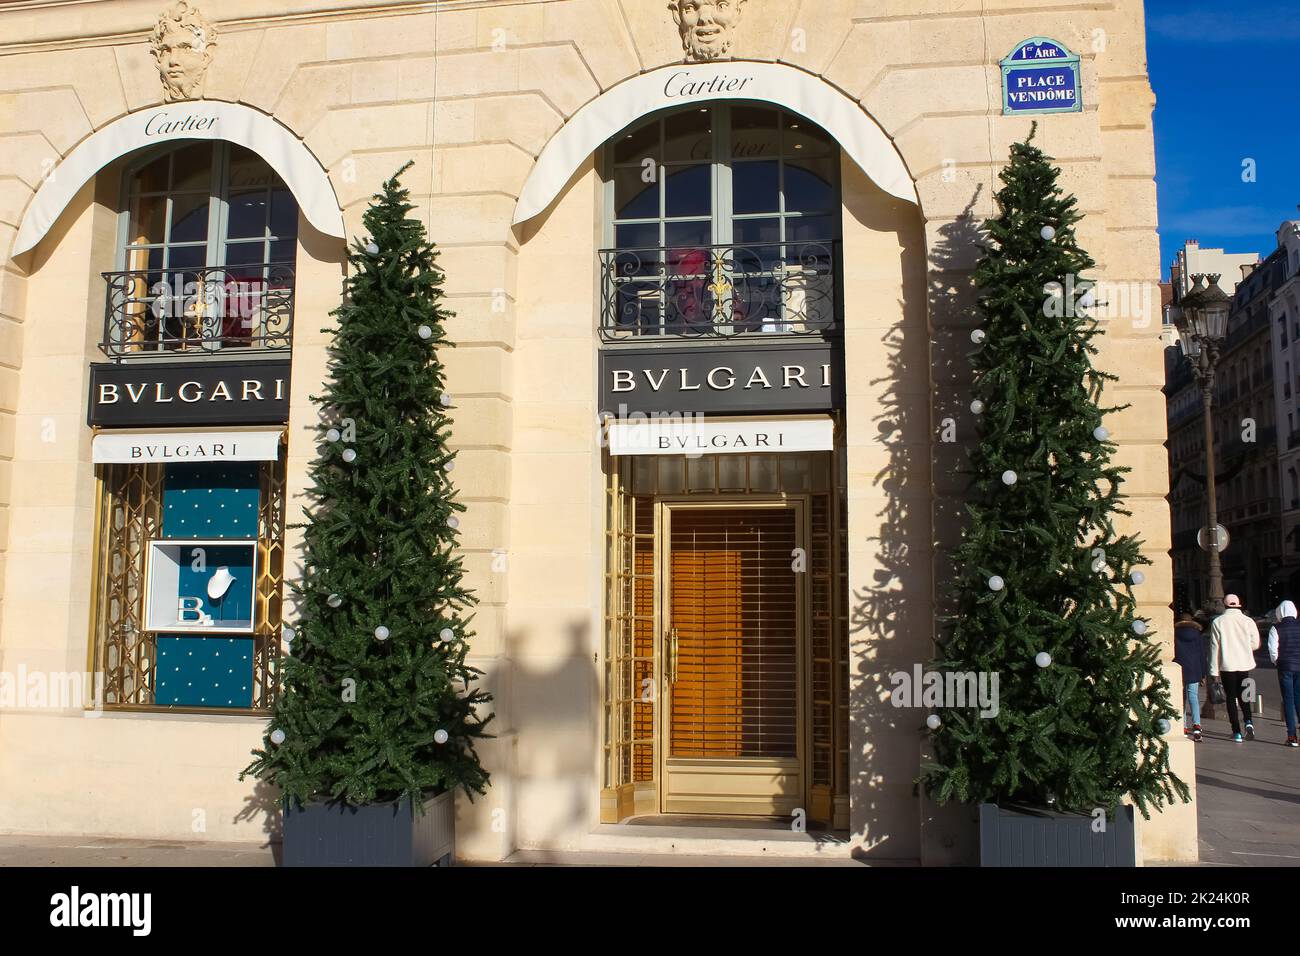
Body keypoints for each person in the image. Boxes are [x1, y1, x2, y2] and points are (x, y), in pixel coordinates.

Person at [1209, 594, 1261, 743]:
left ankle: (1236, 731)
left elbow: (1215, 648)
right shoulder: (1248, 621)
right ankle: (1249, 722)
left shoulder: (1218, 622)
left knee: (1231, 698)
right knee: (1245, 696)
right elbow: (1256, 643)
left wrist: (1214, 671)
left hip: (1227, 665)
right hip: (1245, 664)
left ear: (1224, 605)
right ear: (1239, 604)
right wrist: (1245, 648)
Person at [1267, 600, 1300, 748]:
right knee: (1299, 698)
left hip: (1285, 666)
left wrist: (1277, 662)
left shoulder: (1276, 628)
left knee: (1288, 700)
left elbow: (1273, 650)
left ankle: (1292, 735)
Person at [1174, 612, 1206, 742]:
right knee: (1193, 697)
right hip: (1194, 669)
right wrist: (1203, 673)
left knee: (1181, 698)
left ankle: (1183, 726)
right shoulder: (1197, 635)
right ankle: (1197, 726)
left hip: (1179, 668)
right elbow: (1202, 655)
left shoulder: (1175, 633)